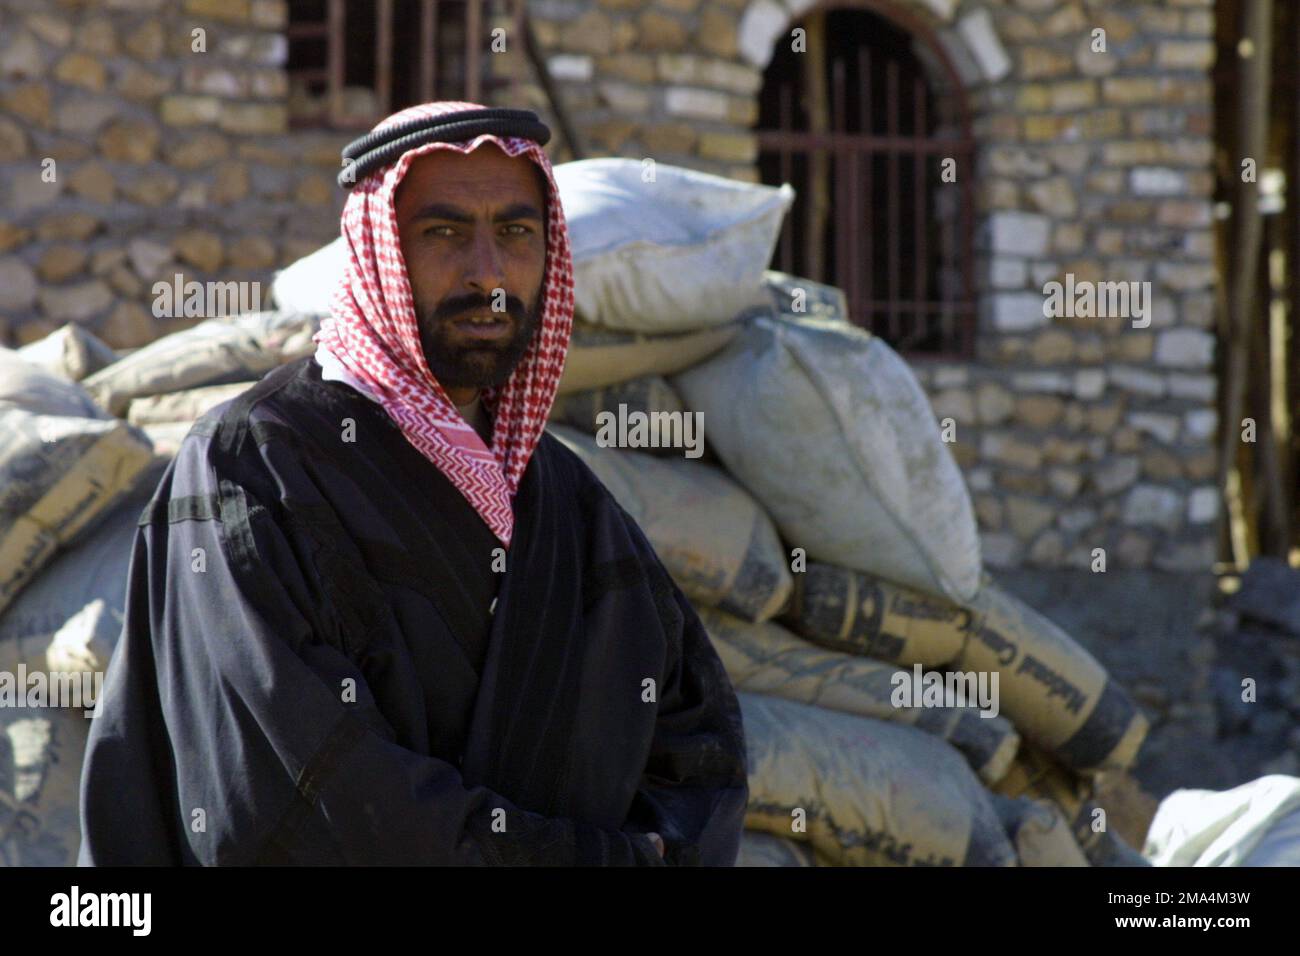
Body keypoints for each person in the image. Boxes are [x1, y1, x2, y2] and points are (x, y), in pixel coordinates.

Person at [78, 102, 749, 866]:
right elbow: (306, 791)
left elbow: (698, 750)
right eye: (444, 233)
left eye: (516, 233)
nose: (488, 273)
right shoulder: (251, 466)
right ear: (379, 255)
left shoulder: (568, 499)